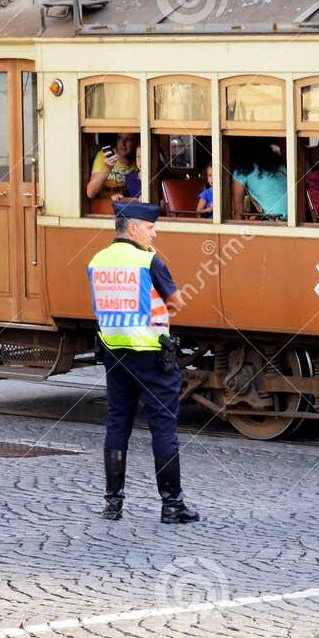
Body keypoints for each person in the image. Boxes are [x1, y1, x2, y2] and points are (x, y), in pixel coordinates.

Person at [88, 201, 199, 524]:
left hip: (114, 353)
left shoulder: (97, 261)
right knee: (163, 427)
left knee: (117, 424)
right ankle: (172, 505)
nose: (155, 232)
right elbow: (176, 301)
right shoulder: (148, 260)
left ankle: (113, 504)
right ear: (134, 228)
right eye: (151, 228)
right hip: (152, 355)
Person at [230, 141, 288, 220]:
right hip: (296, 217)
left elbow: (237, 211)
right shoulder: (279, 166)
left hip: (277, 221)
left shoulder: (242, 171)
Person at [85, 132, 140, 203]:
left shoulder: (139, 159)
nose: (122, 144)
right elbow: (90, 193)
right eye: (120, 138)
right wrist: (107, 168)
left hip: (126, 208)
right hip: (104, 206)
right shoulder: (105, 156)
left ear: (136, 142)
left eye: (128, 139)